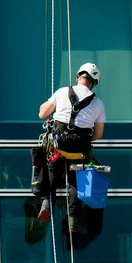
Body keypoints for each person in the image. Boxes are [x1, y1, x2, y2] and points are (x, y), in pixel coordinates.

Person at [34, 62, 106, 233]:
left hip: (58, 146)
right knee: (74, 179)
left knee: (50, 168)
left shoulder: (61, 92)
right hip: (79, 151)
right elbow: (98, 134)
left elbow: (42, 114)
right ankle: (73, 216)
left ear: (78, 77)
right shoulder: (98, 103)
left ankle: (46, 202)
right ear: (94, 83)